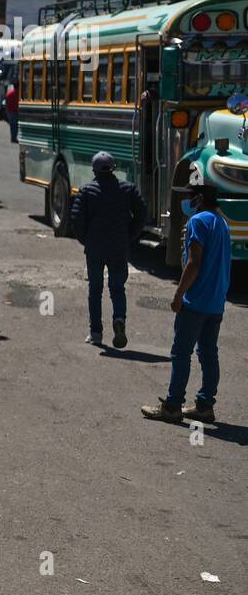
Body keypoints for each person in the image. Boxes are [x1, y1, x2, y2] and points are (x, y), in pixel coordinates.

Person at [142, 180, 232, 423]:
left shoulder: (198, 222)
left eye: (192, 198)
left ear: (200, 200)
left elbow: (194, 262)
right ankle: (204, 406)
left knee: (181, 353)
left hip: (196, 301)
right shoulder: (223, 224)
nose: (188, 202)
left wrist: (178, 294)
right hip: (215, 302)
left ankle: (173, 406)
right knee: (208, 353)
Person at [70, 151, 146, 347]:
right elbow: (141, 214)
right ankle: (119, 318)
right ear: (113, 168)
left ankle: (95, 333)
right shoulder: (128, 189)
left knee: (95, 290)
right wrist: (129, 236)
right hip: (119, 247)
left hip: (95, 248)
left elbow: (76, 220)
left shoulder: (87, 190)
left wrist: (86, 240)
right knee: (117, 287)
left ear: (94, 170)